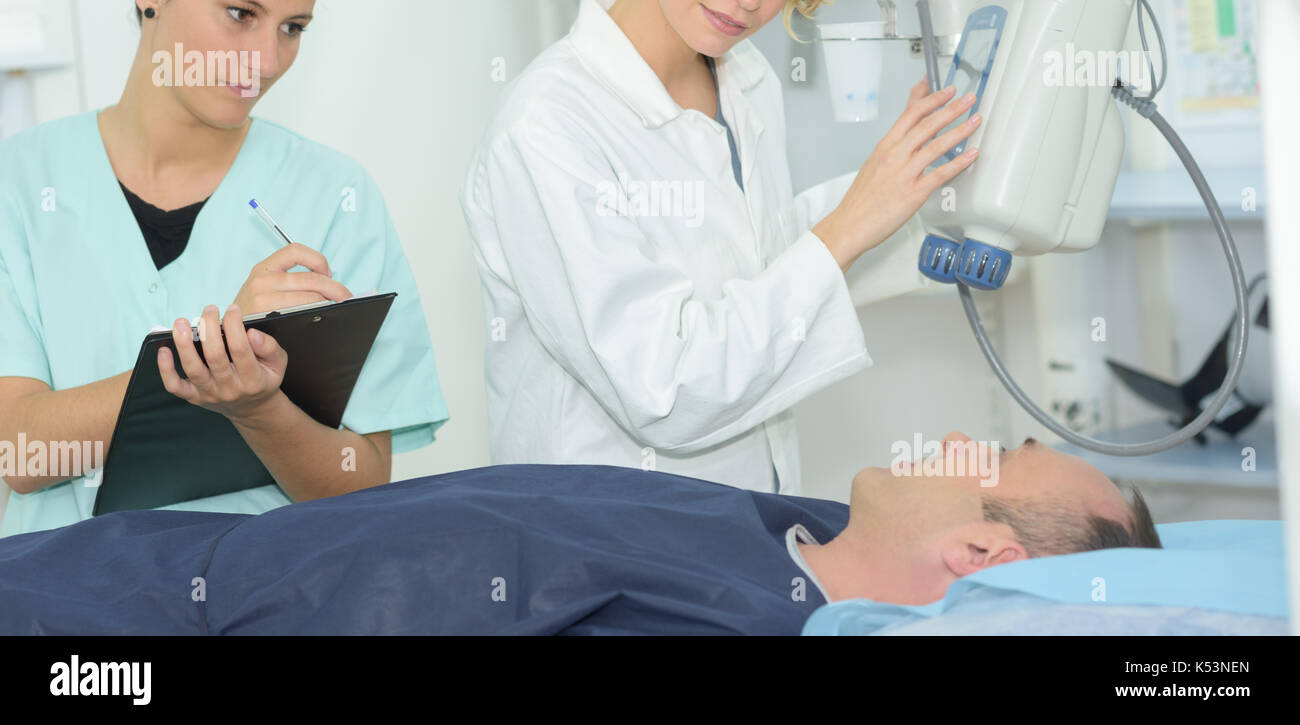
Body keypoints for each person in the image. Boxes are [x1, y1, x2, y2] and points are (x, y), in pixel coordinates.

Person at [460, 0, 980, 493]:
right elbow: (664, 386)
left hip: (739, 512)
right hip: (612, 538)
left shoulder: (743, 81)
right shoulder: (549, 124)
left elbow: (757, 263)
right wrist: (854, 221)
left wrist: (915, 206)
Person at [0, 0, 447, 537]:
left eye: (292, 28)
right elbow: (20, 447)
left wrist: (258, 404)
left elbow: (360, 481)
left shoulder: (336, 196)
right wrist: (207, 356)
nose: (266, 62)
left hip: (269, 595)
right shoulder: (21, 182)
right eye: (240, 13)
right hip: (72, 607)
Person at [0, 431, 1159, 635]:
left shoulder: (744, 619)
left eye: (987, 459)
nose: (953, 434)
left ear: (983, 554)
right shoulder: (788, 531)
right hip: (138, 559)